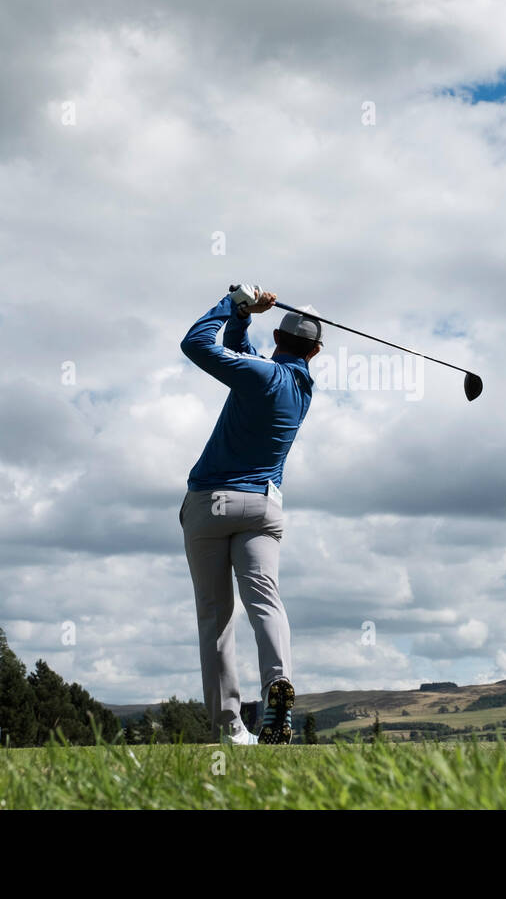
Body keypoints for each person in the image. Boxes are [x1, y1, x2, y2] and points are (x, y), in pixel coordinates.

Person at [178, 284, 323, 745]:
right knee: (265, 601)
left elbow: (195, 344)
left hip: (210, 502)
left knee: (215, 616)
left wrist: (234, 306)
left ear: (278, 338)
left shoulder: (260, 374)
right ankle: (277, 682)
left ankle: (229, 727)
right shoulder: (301, 388)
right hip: (262, 507)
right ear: (316, 352)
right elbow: (246, 354)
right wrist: (245, 321)